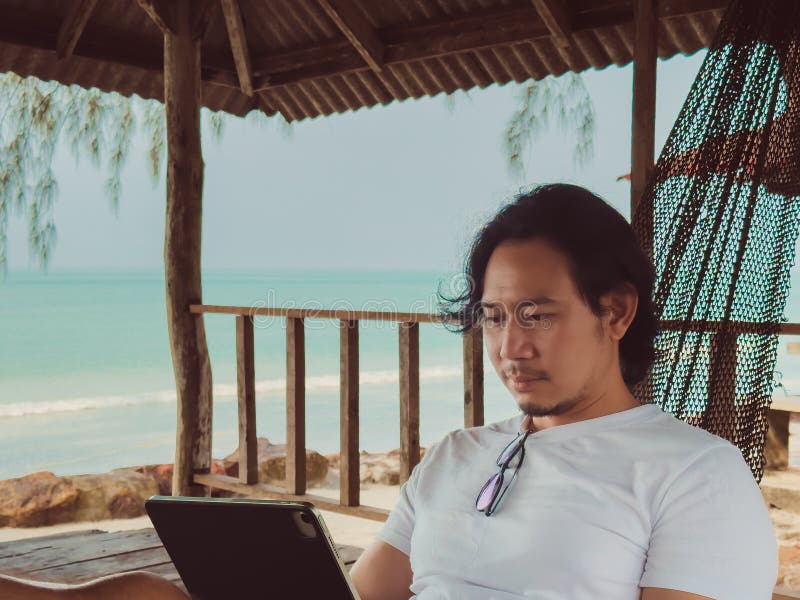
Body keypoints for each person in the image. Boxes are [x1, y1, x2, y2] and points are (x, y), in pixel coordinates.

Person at [0, 184, 778, 599]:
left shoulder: (692, 474)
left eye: (537, 315)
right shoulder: (457, 456)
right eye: (494, 316)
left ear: (614, 311)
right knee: (146, 596)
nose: (510, 347)